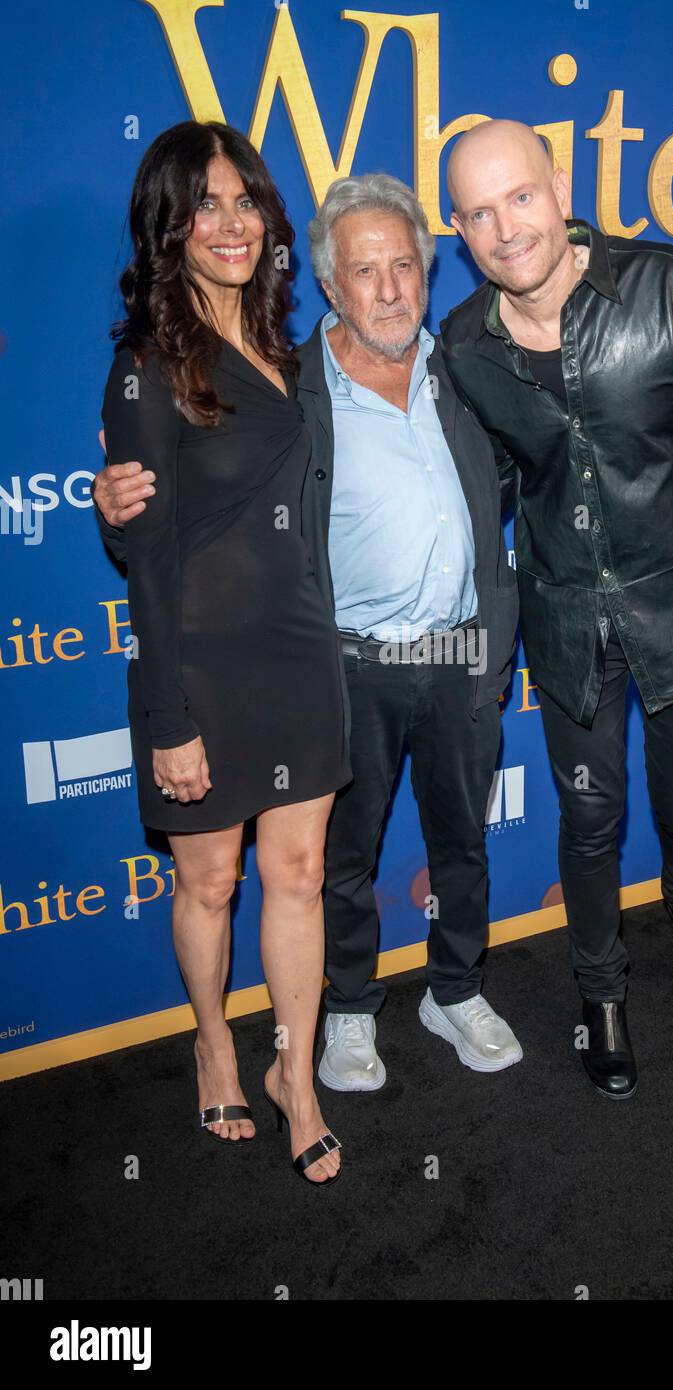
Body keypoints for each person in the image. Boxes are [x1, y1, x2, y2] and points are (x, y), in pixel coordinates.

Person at [94, 173, 523, 1092]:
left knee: (464, 845)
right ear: (329, 283)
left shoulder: (469, 368)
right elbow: (201, 502)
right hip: (343, 665)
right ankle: (353, 1011)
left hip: (458, 657)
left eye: (405, 266)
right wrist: (113, 506)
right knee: (339, 862)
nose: (391, 290)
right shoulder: (287, 385)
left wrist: (496, 636)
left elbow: (536, 473)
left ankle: (456, 988)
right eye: (366, 272)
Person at [440, 119, 673, 1100]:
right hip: (564, 622)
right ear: (458, 231)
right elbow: (482, 494)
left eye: (518, 196)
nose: (505, 227)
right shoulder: (465, 346)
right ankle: (601, 998)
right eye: (477, 213)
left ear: (556, 187)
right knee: (588, 822)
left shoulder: (669, 285)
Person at [100, 119, 351, 1183]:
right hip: (200, 671)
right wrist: (169, 720)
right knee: (209, 886)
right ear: (169, 225)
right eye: (204, 204)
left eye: (244, 199)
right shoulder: (144, 367)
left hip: (299, 655)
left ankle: (293, 1070)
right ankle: (213, 1042)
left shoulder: (285, 345)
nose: (232, 222)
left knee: (295, 875)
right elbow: (147, 553)